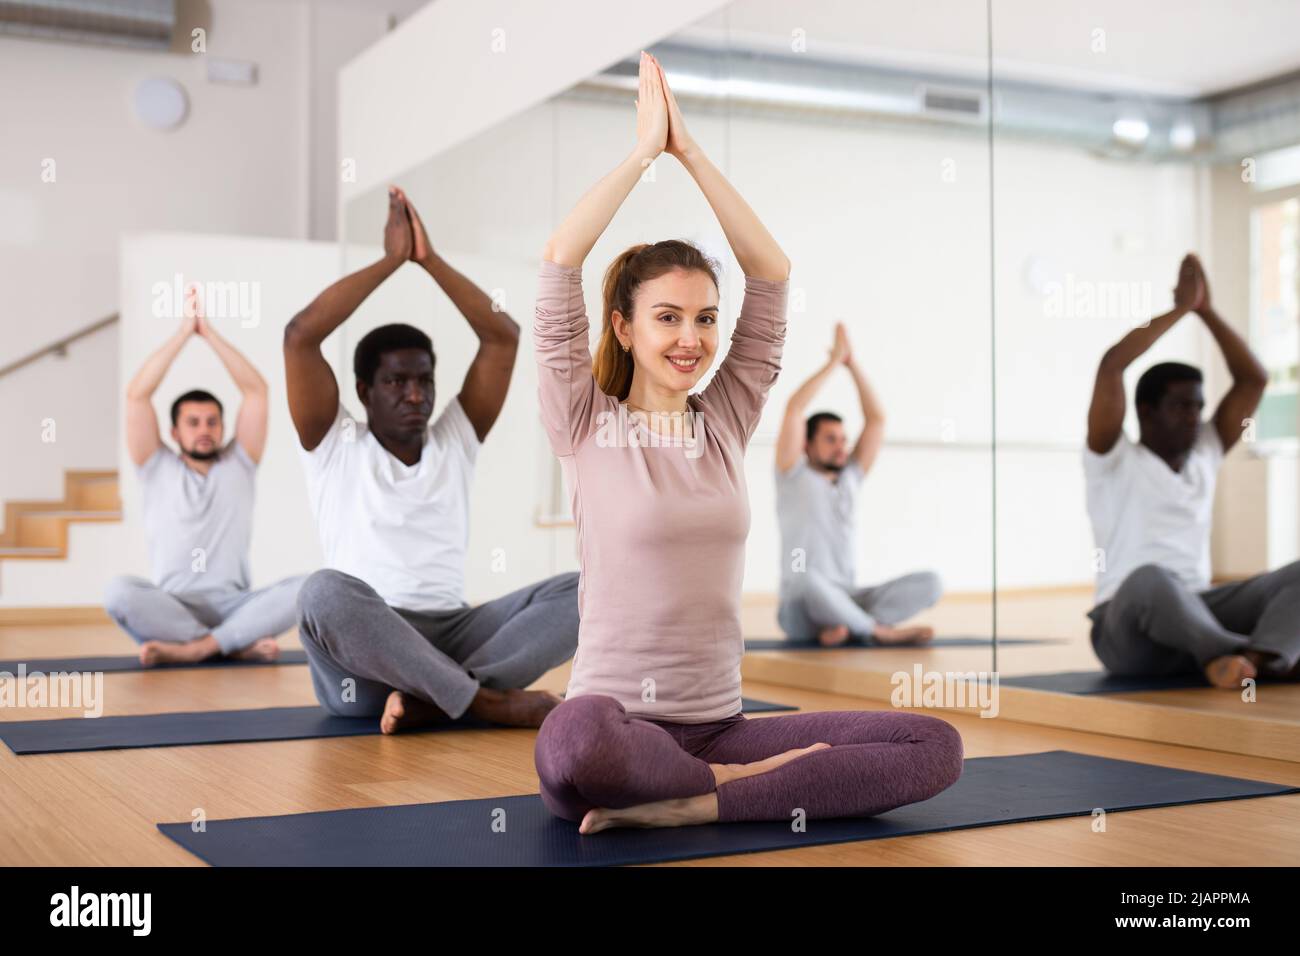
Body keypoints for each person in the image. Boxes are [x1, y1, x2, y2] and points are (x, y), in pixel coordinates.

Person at [532, 52, 963, 834]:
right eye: (668, 317)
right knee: (575, 739)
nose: (691, 337)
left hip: (723, 723)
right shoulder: (584, 418)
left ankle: (699, 800)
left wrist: (691, 152)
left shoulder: (725, 418)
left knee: (932, 742)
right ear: (625, 328)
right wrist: (643, 154)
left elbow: (771, 272)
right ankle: (743, 790)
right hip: (618, 726)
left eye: (704, 317)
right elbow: (561, 260)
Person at [284, 187, 580, 733]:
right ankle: (484, 702)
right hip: (367, 659)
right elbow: (301, 336)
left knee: (590, 587)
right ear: (363, 389)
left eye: (424, 381)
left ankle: (441, 698)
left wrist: (431, 262)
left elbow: (503, 336)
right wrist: (391, 262)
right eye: (396, 381)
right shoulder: (334, 442)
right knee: (322, 591)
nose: (415, 395)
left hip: (454, 632)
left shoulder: (454, 438)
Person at [1084, 252, 1299, 687]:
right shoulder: (1111, 455)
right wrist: (1181, 310)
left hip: (1199, 611)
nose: (1194, 416)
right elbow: (1112, 364)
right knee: (1150, 579)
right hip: (1126, 630)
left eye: (1199, 406)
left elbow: (1253, 380)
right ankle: (1236, 653)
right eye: (1182, 405)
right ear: (1145, 410)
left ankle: (1252, 660)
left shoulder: (1207, 448)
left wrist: (1208, 312)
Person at [105, 288, 304, 666]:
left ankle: (196, 649)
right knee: (118, 592)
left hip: (236, 604)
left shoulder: (240, 462)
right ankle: (231, 645)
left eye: (212, 421)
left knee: (311, 588)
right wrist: (184, 334)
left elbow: (256, 391)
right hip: (173, 606)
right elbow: (137, 396)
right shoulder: (155, 465)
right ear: (175, 432)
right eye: (193, 422)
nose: (204, 429)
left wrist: (209, 334)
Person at [774, 321, 942, 647]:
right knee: (807, 577)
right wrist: (832, 363)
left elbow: (877, 419)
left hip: (847, 597)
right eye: (830, 439)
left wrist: (852, 365)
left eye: (844, 439)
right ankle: (876, 631)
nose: (842, 446)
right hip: (800, 606)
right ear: (807, 445)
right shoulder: (792, 475)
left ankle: (845, 627)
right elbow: (794, 409)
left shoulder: (851, 476)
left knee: (933, 583)